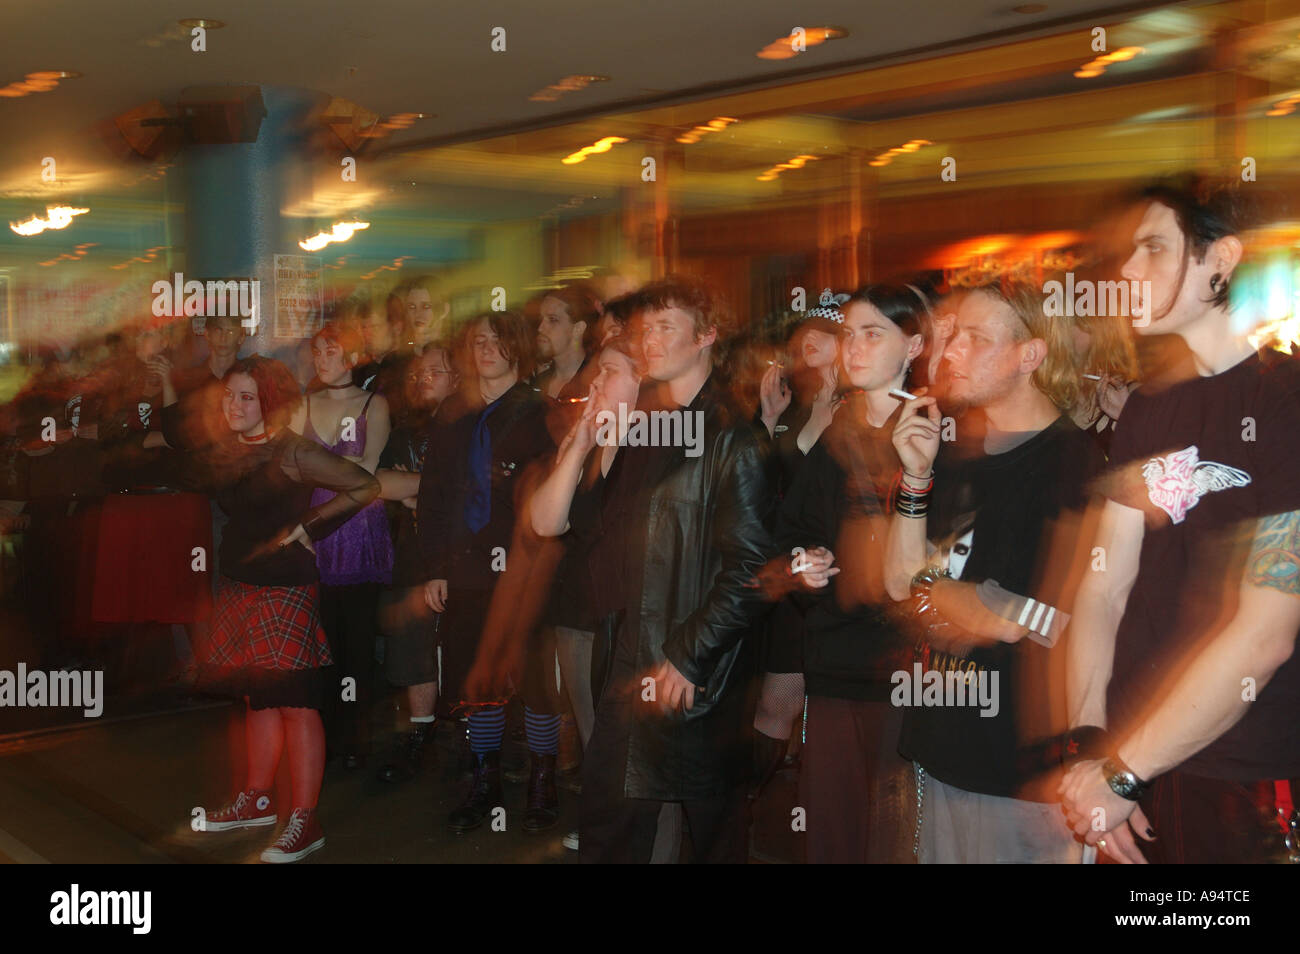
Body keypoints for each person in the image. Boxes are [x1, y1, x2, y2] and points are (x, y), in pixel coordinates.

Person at [1060, 176, 1300, 864]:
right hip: (1138, 770)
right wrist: (1090, 750)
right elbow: (1102, 589)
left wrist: (1120, 770)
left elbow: (1265, 634)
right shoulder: (1148, 406)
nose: (1128, 271)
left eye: (1154, 249)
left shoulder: (1288, 400)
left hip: (1247, 779)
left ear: (1220, 260)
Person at [884, 279, 1103, 863]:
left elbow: (1014, 618)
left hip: (1025, 773)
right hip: (941, 746)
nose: (950, 352)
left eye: (976, 338)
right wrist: (912, 479)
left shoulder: (1074, 463)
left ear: (1029, 355)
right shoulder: (954, 450)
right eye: (952, 335)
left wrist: (935, 592)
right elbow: (895, 584)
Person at [573, 276, 774, 863]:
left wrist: (689, 655)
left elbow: (749, 568)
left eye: (667, 327)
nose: (650, 340)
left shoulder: (737, 436)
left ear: (707, 336)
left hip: (697, 675)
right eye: (644, 328)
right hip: (627, 658)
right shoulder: (641, 424)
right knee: (608, 828)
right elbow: (590, 531)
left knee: (713, 835)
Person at [162, 355, 379, 863]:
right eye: (228, 395)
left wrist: (312, 525)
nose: (232, 405)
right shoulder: (231, 449)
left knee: (295, 703)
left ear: (269, 402)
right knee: (256, 696)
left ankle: (305, 820)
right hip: (241, 584)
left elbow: (365, 486)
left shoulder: (293, 453)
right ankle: (256, 800)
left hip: (286, 587)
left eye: (245, 397)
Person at [778, 284, 927, 863]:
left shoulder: (937, 432)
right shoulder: (836, 433)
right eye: (848, 335)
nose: (854, 348)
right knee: (832, 836)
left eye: (874, 333)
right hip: (835, 665)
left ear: (912, 344)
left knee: (894, 841)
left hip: (907, 674)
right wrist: (804, 566)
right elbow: (794, 529)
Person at [417, 311, 555, 833]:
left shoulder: (541, 413)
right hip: (466, 568)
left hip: (524, 568)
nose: (486, 349)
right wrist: (434, 567)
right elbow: (434, 496)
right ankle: (485, 778)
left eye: (497, 341)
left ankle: (543, 778)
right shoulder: (453, 412)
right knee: (477, 680)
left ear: (517, 348)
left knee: (536, 680)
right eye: (478, 341)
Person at [750, 289, 848, 795]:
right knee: (775, 703)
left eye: (825, 333)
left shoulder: (862, 409)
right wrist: (767, 421)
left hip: (831, 576)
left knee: (785, 703)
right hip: (787, 570)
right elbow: (765, 486)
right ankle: (740, 819)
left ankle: (744, 817)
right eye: (805, 331)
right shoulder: (794, 400)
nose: (809, 340)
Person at [289, 321, 394, 769]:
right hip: (314, 531)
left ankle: (357, 736)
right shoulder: (303, 405)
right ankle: (327, 736)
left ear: (352, 357)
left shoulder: (375, 403)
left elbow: (367, 476)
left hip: (357, 530)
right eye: (317, 352)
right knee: (320, 639)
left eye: (331, 351)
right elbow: (292, 470)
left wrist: (323, 467)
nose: (322, 359)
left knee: (358, 639)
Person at [374, 345, 459, 783]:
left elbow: (475, 487)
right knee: (411, 649)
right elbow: (382, 483)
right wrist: (433, 488)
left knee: (462, 648)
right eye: (419, 372)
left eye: (436, 370)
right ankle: (420, 737)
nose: (424, 378)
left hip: (463, 555)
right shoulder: (404, 428)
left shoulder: (471, 425)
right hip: (411, 556)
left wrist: (420, 493)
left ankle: (470, 743)